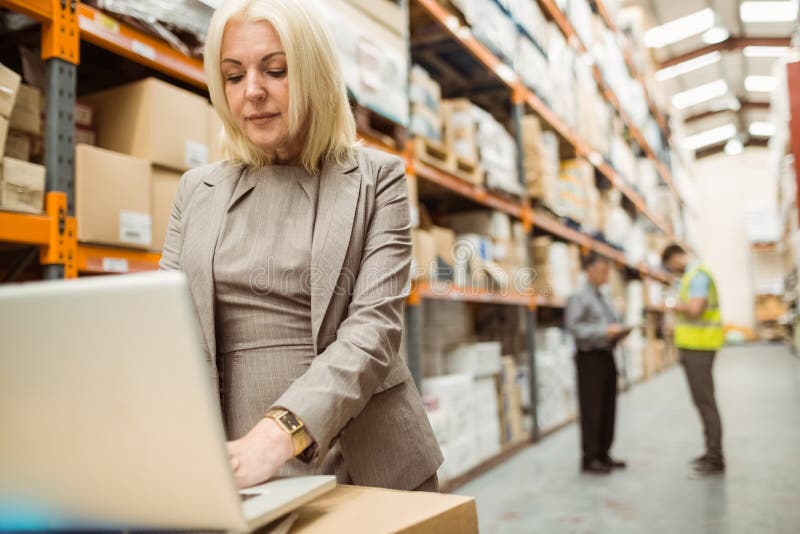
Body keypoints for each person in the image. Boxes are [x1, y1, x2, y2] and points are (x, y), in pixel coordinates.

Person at [159, 0, 443, 492]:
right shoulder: (196, 190)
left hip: (363, 457)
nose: (253, 91)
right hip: (237, 461)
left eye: (275, 70)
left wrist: (280, 433)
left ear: (315, 73)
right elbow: (166, 325)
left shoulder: (379, 179)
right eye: (233, 76)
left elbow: (374, 329)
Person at [662, 244, 725, 476]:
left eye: (670, 265)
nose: (672, 269)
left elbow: (696, 309)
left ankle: (715, 458)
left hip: (700, 346)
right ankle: (710, 451)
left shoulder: (697, 276)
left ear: (676, 257)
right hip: (695, 345)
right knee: (702, 401)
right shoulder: (692, 275)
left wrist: (672, 304)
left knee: (705, 402)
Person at [565, 254, 630, 474]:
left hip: (606, 354)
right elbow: (574, 328)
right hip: (589, 357)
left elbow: (610, 321)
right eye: (602, 271)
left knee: (608, 406)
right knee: (592, 408)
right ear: (590, 271)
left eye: (607, 272)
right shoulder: (579, 296)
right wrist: (603, 331)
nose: (606, 276)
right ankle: (590, 458)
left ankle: (604, 453)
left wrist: (618, 331)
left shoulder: (603, 296)